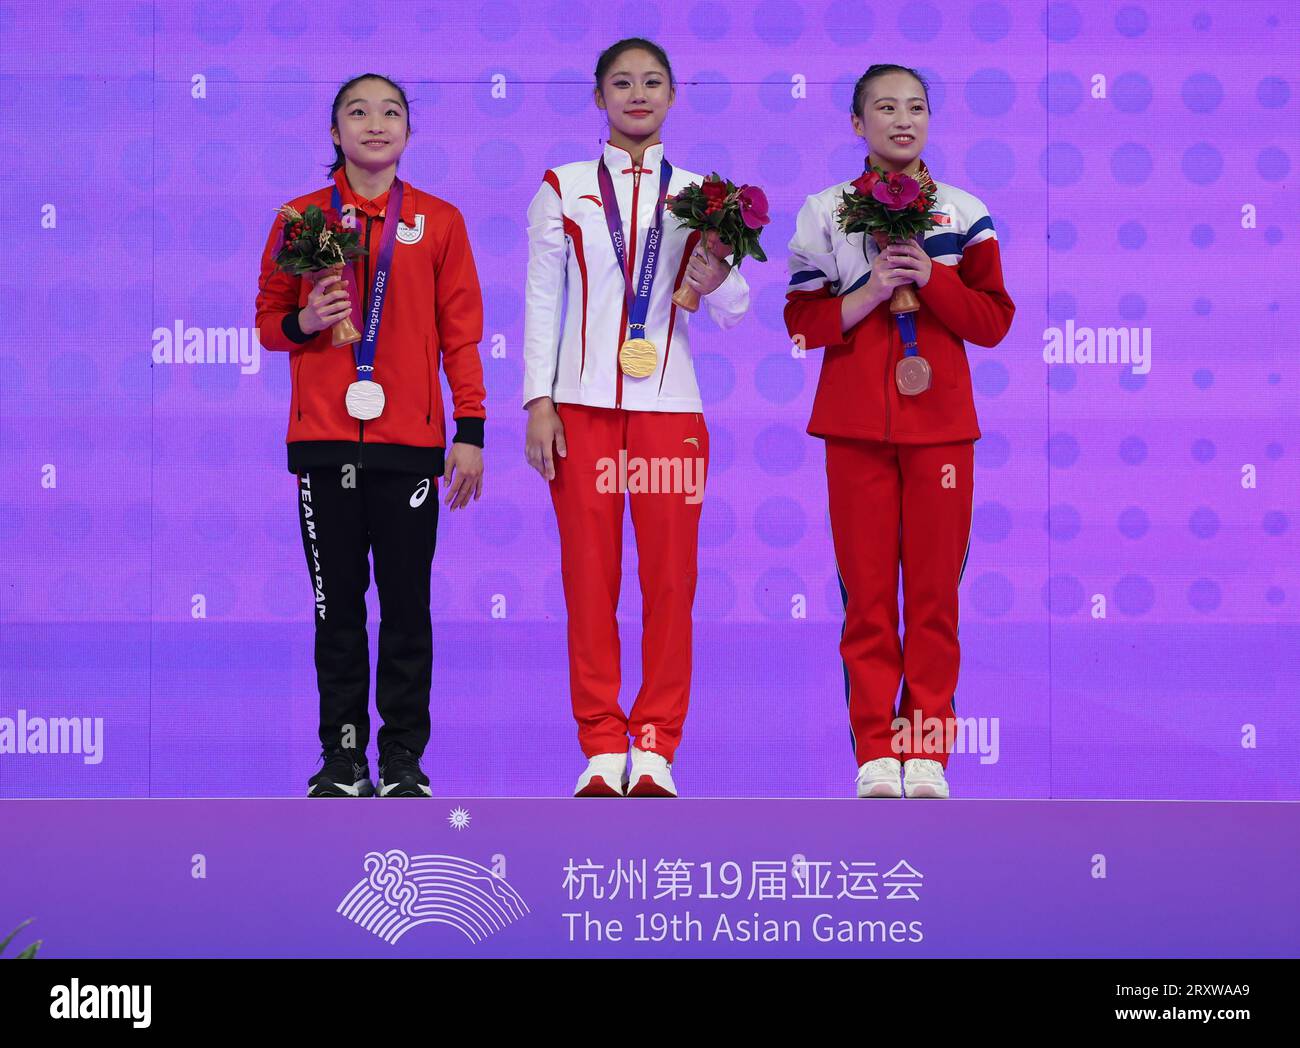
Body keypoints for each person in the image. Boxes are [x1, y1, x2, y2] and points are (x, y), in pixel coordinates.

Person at [522, 38, 751, 797]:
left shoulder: (702, 194)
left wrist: (716, 273)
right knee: (589, 580)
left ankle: (654, 746)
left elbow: (735, 310)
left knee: (668, 581)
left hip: (670, 413)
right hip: (582, 411)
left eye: (652, 82)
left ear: (674, 96)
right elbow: (543, 303)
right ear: (599, 98)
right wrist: (538, 401)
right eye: (621, 83)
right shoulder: (563, 187)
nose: (637, 94)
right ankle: (598, 744)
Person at [784, 63, 1015, 799]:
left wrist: (933, 278)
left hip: (941, 431)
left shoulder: (963, 211)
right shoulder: (824, 211)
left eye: (916, 106)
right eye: (884, 107)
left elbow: (994, 324)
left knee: (934, 598)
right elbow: (799, 328)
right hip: (854, 429)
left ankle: (927, 752)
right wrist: (870, 291)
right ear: (857, 124)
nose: (902, 119)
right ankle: (877, 751)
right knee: (869, 596)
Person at [255, 73, 487, 798]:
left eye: (391, 113)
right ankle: (344, 760)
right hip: (324, 444)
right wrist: (307, 323)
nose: (375, 124)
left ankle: (405, 764)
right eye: (358, 112)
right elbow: (268, 324)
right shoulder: (300, 217)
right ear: (334, 132)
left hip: (410, 446)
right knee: (338, 610)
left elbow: (461, 335)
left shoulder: (438, 221)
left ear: (409, 133)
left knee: (408, 610)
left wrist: (471, 429)